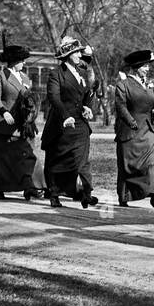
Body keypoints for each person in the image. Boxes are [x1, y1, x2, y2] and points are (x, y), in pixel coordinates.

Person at [41, 36, 98, 208]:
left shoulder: (81, 73)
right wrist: (65, 116)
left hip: (80, 123)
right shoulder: (56, 74)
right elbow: (54, 97)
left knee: (82, 159)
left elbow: (87, 93)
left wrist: (88, 107)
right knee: (58, 160)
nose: (80, 56)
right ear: (68, 55)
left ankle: (87, 193)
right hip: (62, 124)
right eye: (76, 53)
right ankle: (55, 193)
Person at [113, 49, 154, 208]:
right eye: (144, 66)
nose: (147, 68)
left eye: (147, 66)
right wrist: (131, 121)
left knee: (152, 162)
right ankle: (124, 195)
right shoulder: (123, 85)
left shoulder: (148, 84)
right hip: (131, 131)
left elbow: (152, 103)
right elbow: (121, 106)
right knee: (128, 166)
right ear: (136, 67)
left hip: (148, 130)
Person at [0, 43, 41, 200]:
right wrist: (4, 112)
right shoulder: (0, 75)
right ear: (14, 61)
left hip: (23, 124)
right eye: (22, 60)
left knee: (28, 154)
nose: (24, 63)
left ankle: (30, 186)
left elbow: (29, 99)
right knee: (1, 159)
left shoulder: (25, 78)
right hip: (3, 124)